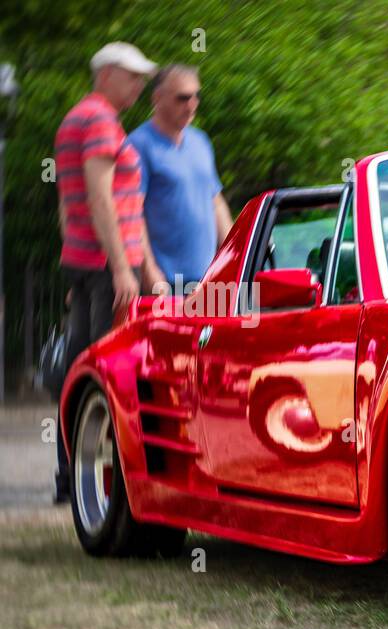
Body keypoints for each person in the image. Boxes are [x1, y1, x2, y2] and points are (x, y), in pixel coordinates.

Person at [53, 41, 156, 503]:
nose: (139, 85)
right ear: (108, 73)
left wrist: (76, 263)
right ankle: (98, 488)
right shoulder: (98, 120)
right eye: (132, 76)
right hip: (106, 266)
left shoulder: (75, 118)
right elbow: (100, 198)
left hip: (84, 264)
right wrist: (121, 268)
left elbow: (66, 203)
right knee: (106, 374)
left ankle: (70, 480)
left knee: (80, 369)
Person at [128, 64, 231, 294]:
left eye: (197, 96)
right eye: (183, 98)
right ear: (157, 98)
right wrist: (149, 270)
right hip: (166, 282)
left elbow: (215, 202)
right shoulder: (138, 145)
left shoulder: (200, 141)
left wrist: (235, 256)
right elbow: (132, 212)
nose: (192, 104)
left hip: (210, 280)